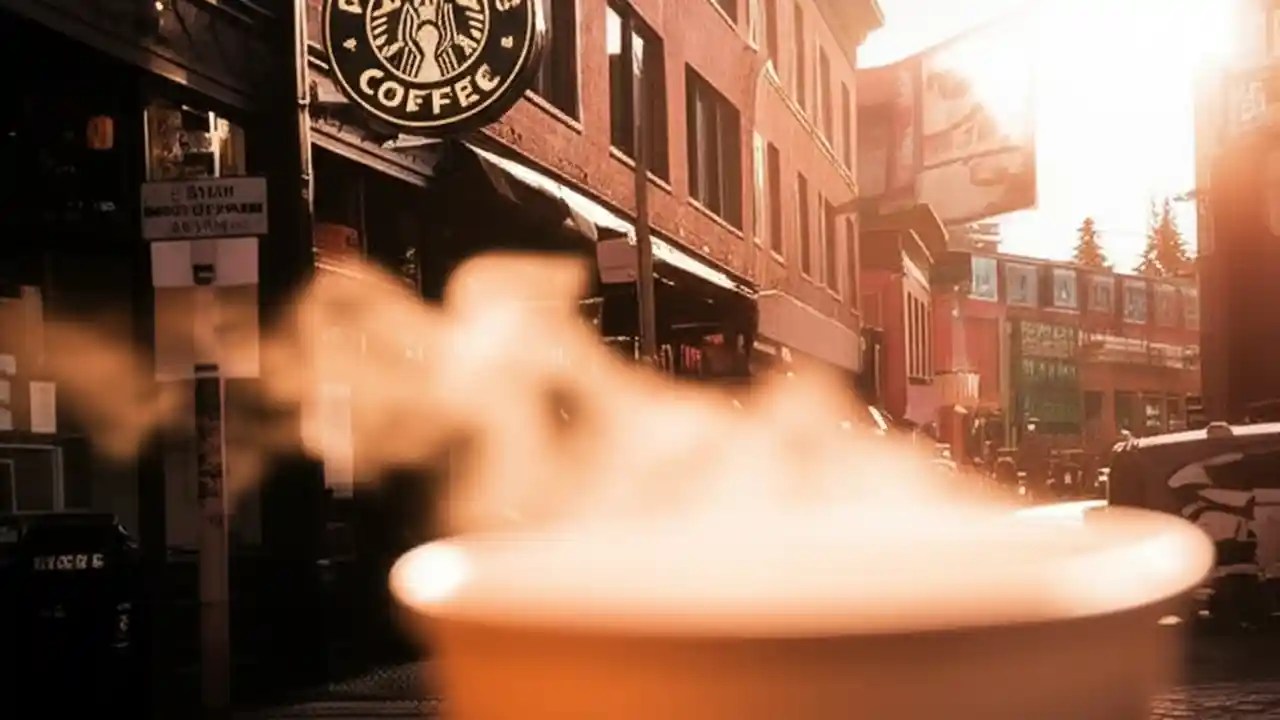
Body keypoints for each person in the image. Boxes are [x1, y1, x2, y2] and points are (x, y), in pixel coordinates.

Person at [1016, 418, 1051, 499]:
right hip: (1034, 467)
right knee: (1033, 484)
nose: (1030, 427)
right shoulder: (1031, 438)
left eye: (1032, 425)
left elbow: (1022, 451)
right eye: (1029, 425)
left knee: (1033, 484)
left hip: (1034, 467)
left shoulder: (1032, 438)